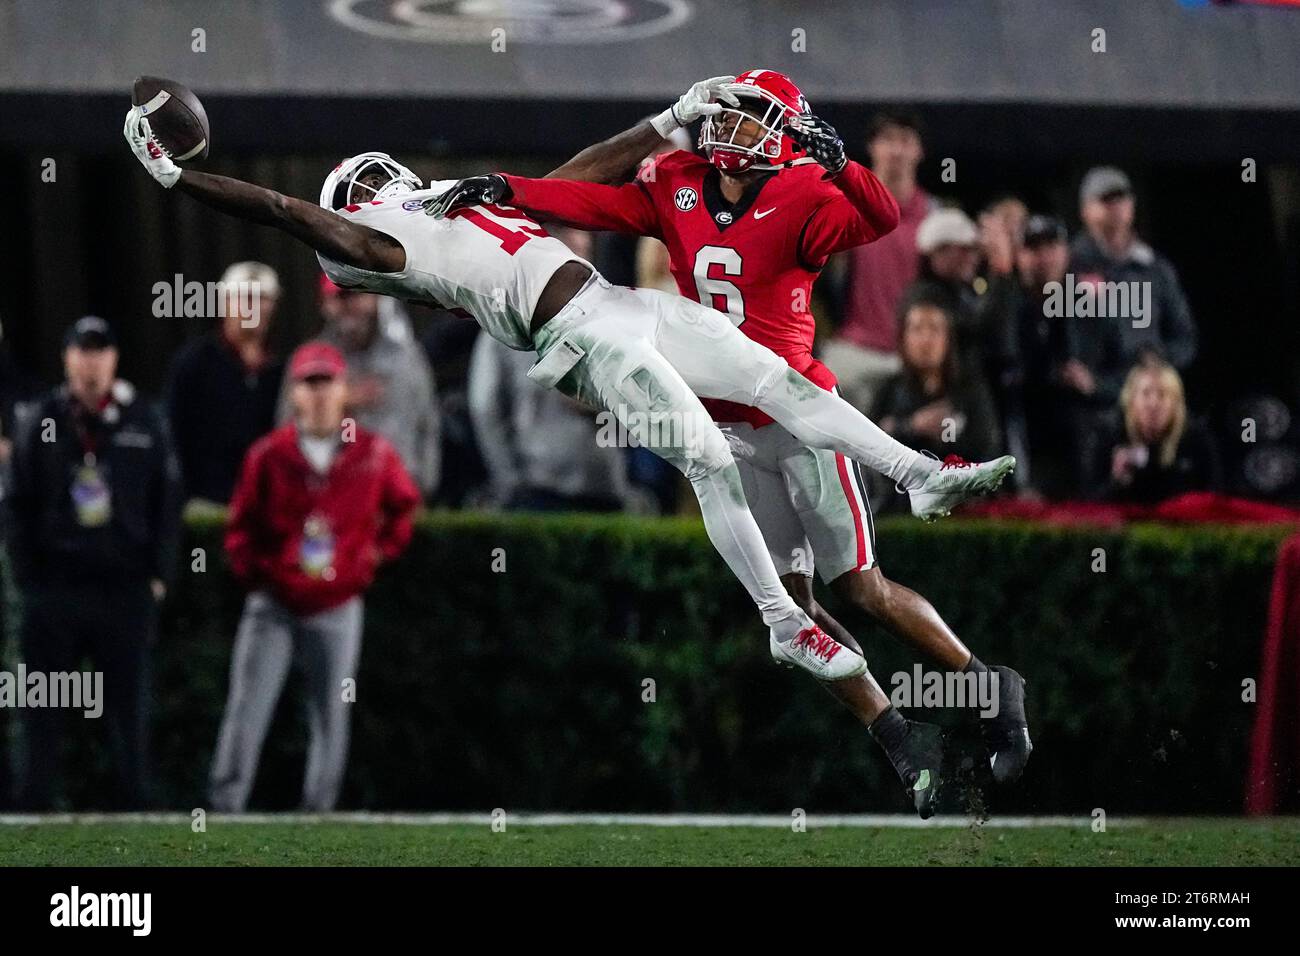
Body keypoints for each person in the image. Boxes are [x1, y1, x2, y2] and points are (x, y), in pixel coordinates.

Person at [125, 106, 1013, 814]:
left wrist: (669, 119)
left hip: (619, 302)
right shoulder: (383, 244)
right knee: (707, 457)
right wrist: (181, 177)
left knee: (780, 379)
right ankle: (785, 619)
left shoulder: (452, 202)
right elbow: (282, 209)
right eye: (360, 187)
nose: (374, 183)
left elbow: (567, 186)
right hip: (582, 343)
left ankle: (919, 473)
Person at [424, 70, 1030, 796]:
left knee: (863, 588)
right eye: (725, 113)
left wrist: (839, 162)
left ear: (784, 132)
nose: (725, 127)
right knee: (797, 611)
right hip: (726, 425)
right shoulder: (677, 178)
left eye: (746, 116)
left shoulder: (805, 188)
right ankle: (898, 735)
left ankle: (995, 692)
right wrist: (509, 188)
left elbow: (880, 220)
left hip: (800, 414)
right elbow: (583, 195)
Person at [211, 342, 421, 811]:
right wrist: (261, 575)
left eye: (328, 383)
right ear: (295, 393)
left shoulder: (373, 453)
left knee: (331, 716)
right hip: (275, 605)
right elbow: (239, 528)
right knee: (247, 710)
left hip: (337, 603)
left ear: (345, 390)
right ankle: (224, 809)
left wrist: (371, 558)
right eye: (311, 383)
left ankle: (318, 815)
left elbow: (404, 508)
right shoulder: (268, 455)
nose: (321, 394)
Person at [6, 316, 182, 809]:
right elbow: (16, 501)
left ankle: (135, 806)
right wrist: (28, 580)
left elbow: (167, 504)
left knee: (128, 707)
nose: (91, 361)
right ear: (67, 359)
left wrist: (159, 577)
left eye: (100, 351)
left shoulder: (145, 419)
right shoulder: (40, 418)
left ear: (114, 359)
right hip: (56, 585)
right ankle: (33, 805)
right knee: (41, 704)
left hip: (123, 587)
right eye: (82, 351)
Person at [283, 275, 442, 499]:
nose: (348, 305)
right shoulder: (308, 361)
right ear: (324, 304)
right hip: (331, 495)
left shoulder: (407, 357)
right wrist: (335, 401)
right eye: (339, 297)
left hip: (401, 490)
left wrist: (425, 482)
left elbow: (428, 421)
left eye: (355, 295)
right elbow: (285, 428)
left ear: (375, 298)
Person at [821, 110, 934, 414]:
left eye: (906, 140)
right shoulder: (840, 205)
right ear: (872, 147)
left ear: (919, 150)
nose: (896, 150)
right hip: (850, 350)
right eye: (888, 140)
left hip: (913, 360)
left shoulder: (935, 218)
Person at [166, 261, 286, 503]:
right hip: (205, 507)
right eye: (245, 297)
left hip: (265, 506)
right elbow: (173, 438)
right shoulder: (192, 364)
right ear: (224, 302)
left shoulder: (282, 370)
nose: (254, 307)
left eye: (263, 298)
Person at [1070, 166, 1197, 377]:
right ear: (1085, 210)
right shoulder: (1070, 266)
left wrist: (1159, 359)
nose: (1115, 206)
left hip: (1148, 394)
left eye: (1121, 198)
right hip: (1091, 397)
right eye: (1105, 199)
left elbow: (1185, 337)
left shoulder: (1155, 268)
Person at [873, 298, 1001, 466]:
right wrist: (913, 426)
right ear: (903, 338)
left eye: (934, 329)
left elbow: (987, 449)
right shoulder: (889, 390)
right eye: (917, 329)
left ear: (948, 339)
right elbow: (870, 445)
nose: (926, 340)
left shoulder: (971, 389)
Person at [1087, 358, 1222, 504]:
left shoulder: (1196, 436)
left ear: (1176, 404)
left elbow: (1214, 497)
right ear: (1131, 401)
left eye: (1162, 394)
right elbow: (1089, 504)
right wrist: (1116, 480)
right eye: (1145, 394)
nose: (1153, 404)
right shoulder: (1109, 433)